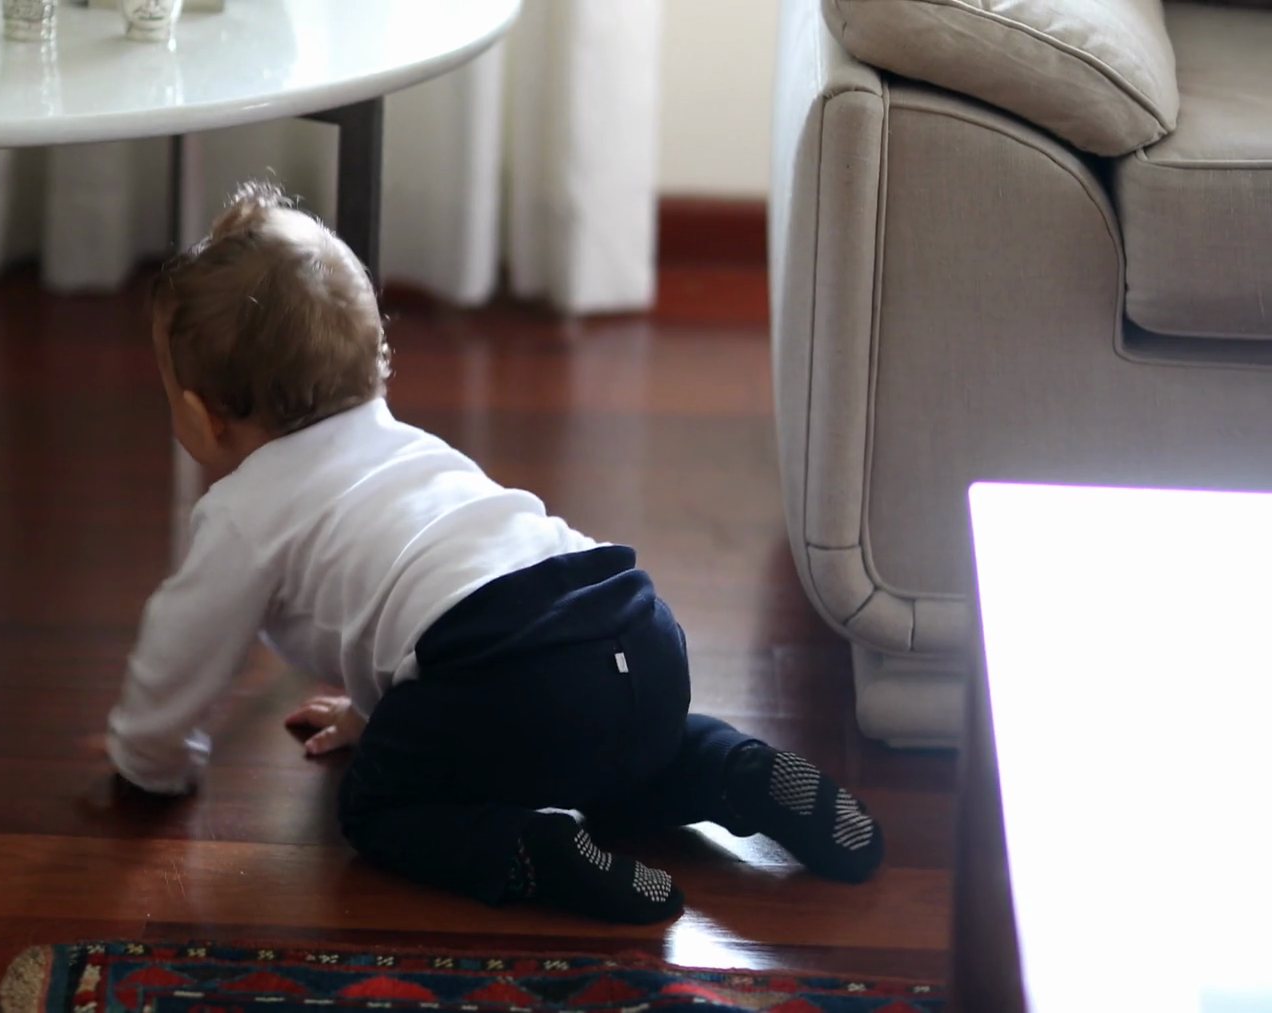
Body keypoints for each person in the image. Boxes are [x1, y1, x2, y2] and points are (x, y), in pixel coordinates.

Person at [105, 181, 882, 923]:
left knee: (378, 805)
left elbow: (186, 641)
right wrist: (381, 712)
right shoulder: (405, 446)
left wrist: (150, 759)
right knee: (625, 750)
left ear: (204, 418)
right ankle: (735, 773)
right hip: (633, 630)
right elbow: (424, 595)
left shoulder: (243, 510)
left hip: (512, 676)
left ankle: (536, 851)